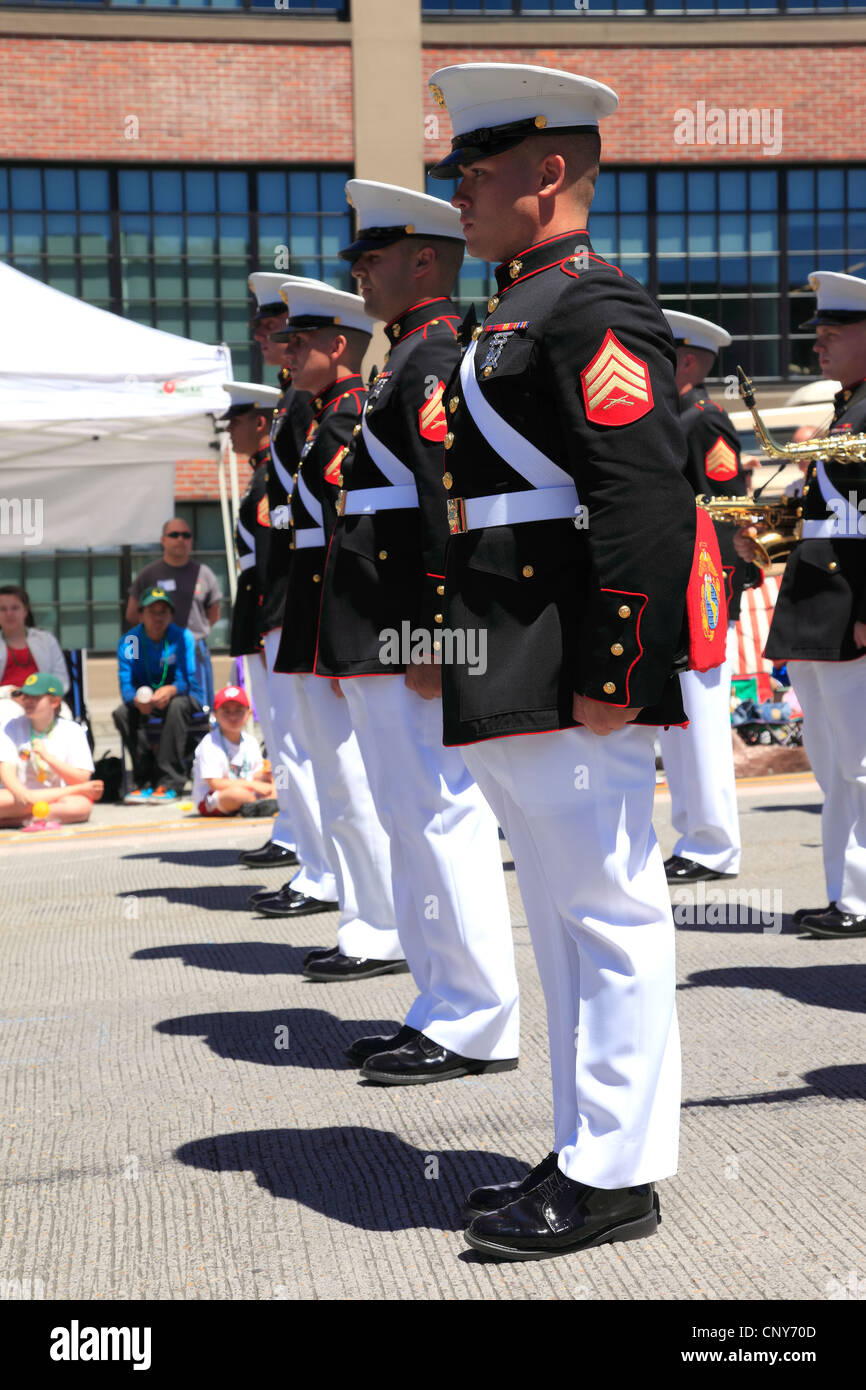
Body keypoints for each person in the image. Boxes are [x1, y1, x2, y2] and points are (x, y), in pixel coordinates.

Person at [427, 61, 698, 1259]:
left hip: (562, 653)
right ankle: (588, 1144)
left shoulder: (589, 306)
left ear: (547, 175)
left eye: (475, 174)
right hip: (511, 644)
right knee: (562, 914)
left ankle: (616, 1172)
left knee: (604, 912)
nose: (460, 195)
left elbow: (642, 500)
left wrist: (617, 664)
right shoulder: (520, 304)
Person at [313, 179, 520, 1076]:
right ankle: (439, 1001)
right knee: (410, 815)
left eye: (374, 256)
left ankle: (474, 1016)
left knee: (439, 816)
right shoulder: (403, 359)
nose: (360, 271)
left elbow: (447, 503)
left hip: (411, 628)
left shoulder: (433, 360)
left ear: (426, 260)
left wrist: (438, 630)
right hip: (382, 624)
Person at [259, 279, 405, 972]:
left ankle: (381, 926)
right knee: (338, 779)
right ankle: (365, 918)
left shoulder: (350, 412)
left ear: (337, 345)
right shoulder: (324, 414)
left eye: (300, 341)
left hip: (339, 613)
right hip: (315, 613)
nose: (287, 353)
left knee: (354, 782)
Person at [736, 269, 866, 939]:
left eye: (835, 331)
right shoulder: (849, 410)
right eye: (817, 330)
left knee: (863, 762)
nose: (820, 342)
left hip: (853, 605)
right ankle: (849, 895)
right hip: (821, 605)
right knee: (834, 762)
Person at [235, 272, 330, 895]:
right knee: (300, 746)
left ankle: (323, 871)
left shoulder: (303, 408)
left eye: (284, 331)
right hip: (285, 604)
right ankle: (316, 862)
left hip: (300, 602)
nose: (275, 341)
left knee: (314, 749)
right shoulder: (294, 403)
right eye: (270, 331)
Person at [658, 309, 757, 883]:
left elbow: (725, 511)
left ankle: (714, 843)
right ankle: (695, 837)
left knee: (701, 715)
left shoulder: (703, 419)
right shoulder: (674, 417)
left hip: (704, 588)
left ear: (689, 361)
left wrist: (723, 587)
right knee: (681, 718)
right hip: (680, 583)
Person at [220, 381, 292, 840]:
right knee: (281, 739)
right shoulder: (259, 473)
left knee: (288, 739)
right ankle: (292, 834)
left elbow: (269, 560)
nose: (228, 430)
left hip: (269, 617)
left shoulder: (269, 475)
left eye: (236, 420)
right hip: (259, 617)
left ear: (261, 422)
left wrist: (269, 626)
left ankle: (300, 843)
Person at [113, 586, 204, 802]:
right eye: (152, 611)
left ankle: (169, 781)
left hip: (182, 697)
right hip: (145, 700)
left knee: (177, 706)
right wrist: (135, 699)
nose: (157, 617)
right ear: (141, 614)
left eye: (163, 611)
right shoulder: (131, 642)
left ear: (171, 615)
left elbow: (186, 679)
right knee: (122, 713)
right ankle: (143, 780)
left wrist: (171, 689)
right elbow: (126, 682)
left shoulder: (181, 637)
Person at [126, 520, 222, 709]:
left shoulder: (204, 573)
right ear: (163, 540)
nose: (181, 539)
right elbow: (132, 615)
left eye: (186, 535)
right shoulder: (149, 574)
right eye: (174, 535)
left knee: (199, 708)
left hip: (194, 651)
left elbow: (214, 613)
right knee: (158, 706)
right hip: (156, 653)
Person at [0, 673, 102, 826]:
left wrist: (48, 758)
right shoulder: (11, 726)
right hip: (19, 797)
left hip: (55, 799)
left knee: (81, 806)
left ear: (54, 701)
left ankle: (18, 821)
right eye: (25, 696)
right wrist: (22, 793)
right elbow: (6, 771)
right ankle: (40, 817)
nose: (28, 701)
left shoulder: (73, 730)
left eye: (35, 697)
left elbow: (81, 778)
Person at [192, 684, 273, 817]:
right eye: (226, 711)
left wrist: (266, 774)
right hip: (215, 798)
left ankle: (265, 803)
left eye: (239, 711)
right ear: (215, 715)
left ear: (249, 714)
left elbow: (255, 773)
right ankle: (265, 803)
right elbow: (215, 784)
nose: (233, 716)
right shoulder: (209, 743)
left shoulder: (250, 741)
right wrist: (253, 785)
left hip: (248, 789)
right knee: (237, 794)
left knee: (281, 775)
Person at [0, 586, 70, 725]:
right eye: (3, 609)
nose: (9, 614)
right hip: (6, 700)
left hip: (43, 698)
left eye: (15, 608)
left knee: (65, 717)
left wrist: (40, 695)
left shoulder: (46, 640)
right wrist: (11, 693)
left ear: (25, 611)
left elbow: (62, 682)